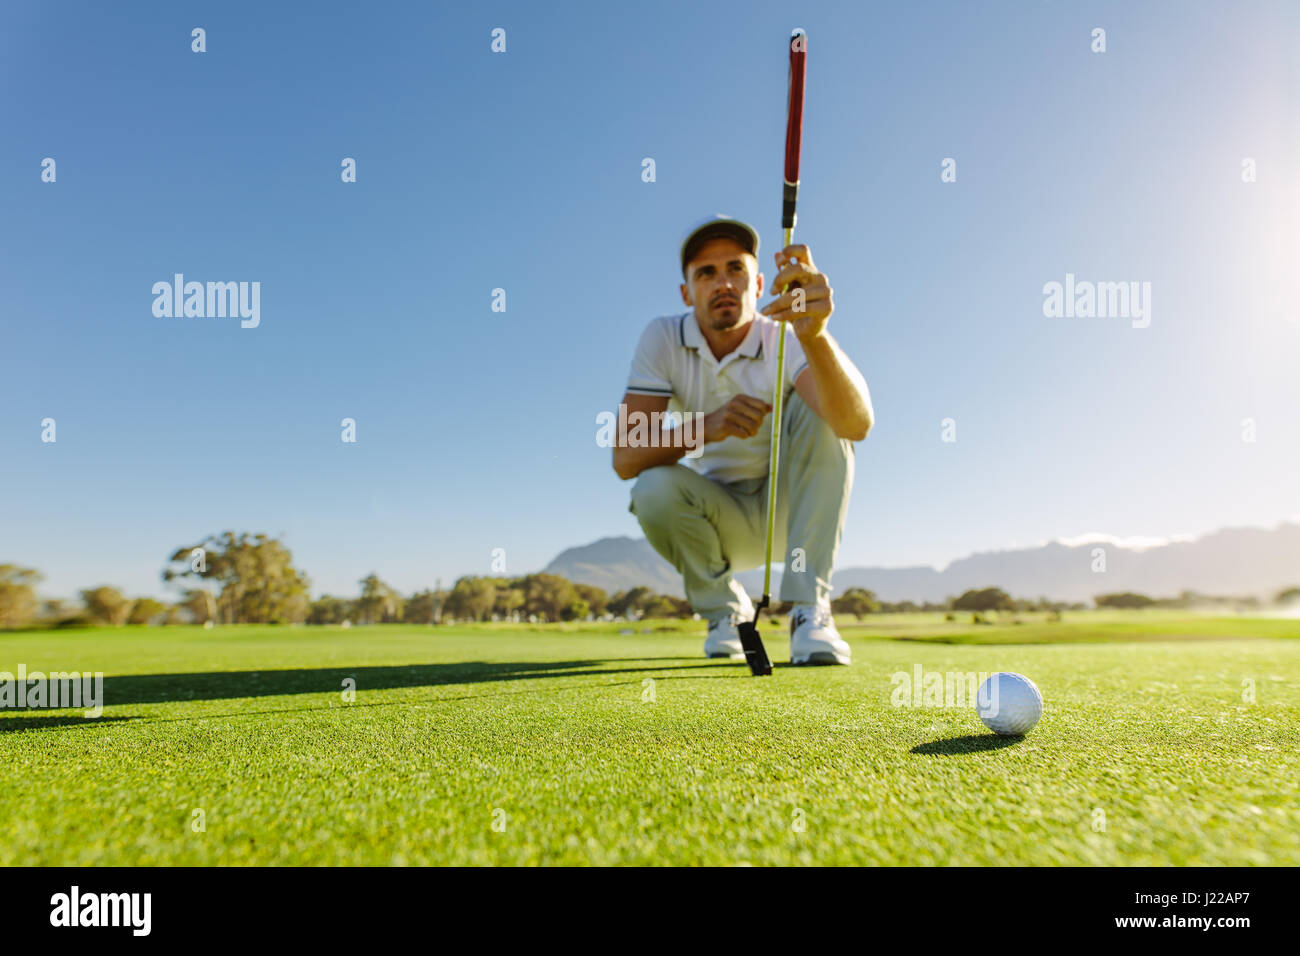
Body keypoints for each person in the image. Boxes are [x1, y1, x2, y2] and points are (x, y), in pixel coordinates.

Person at [612, 215, 875, 665]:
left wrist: (816, 337)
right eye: (706, 273)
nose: (723, 283)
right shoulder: (661, 338)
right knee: (651, 487)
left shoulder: (788, 335)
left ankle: (810, 610)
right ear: (686, 292)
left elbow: (855, 425)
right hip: (718, 523)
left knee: (822, 413)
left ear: (757, 283)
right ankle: (725, 613)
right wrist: (706, 427)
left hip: (793, 516)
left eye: (735, 269)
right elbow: (625, 457)